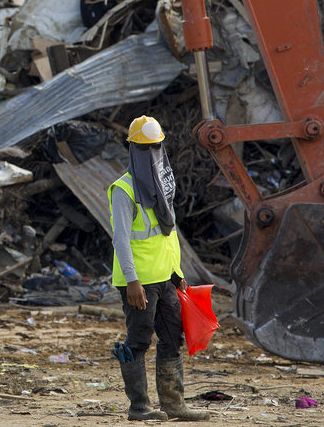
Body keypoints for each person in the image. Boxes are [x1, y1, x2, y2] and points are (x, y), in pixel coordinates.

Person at [108, 115, 207, 421]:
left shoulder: (163, 186)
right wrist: (133, 281)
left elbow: (167, 234)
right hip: (139, 281)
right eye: (144, 147)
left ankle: (174, 404)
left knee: (173, 337)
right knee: (138, 341)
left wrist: (176, 272)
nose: (152, 154)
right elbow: (122, 240)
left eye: (156, 147)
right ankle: (139, 408)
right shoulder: (124, 190)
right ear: (133, 149)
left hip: (165, 277)